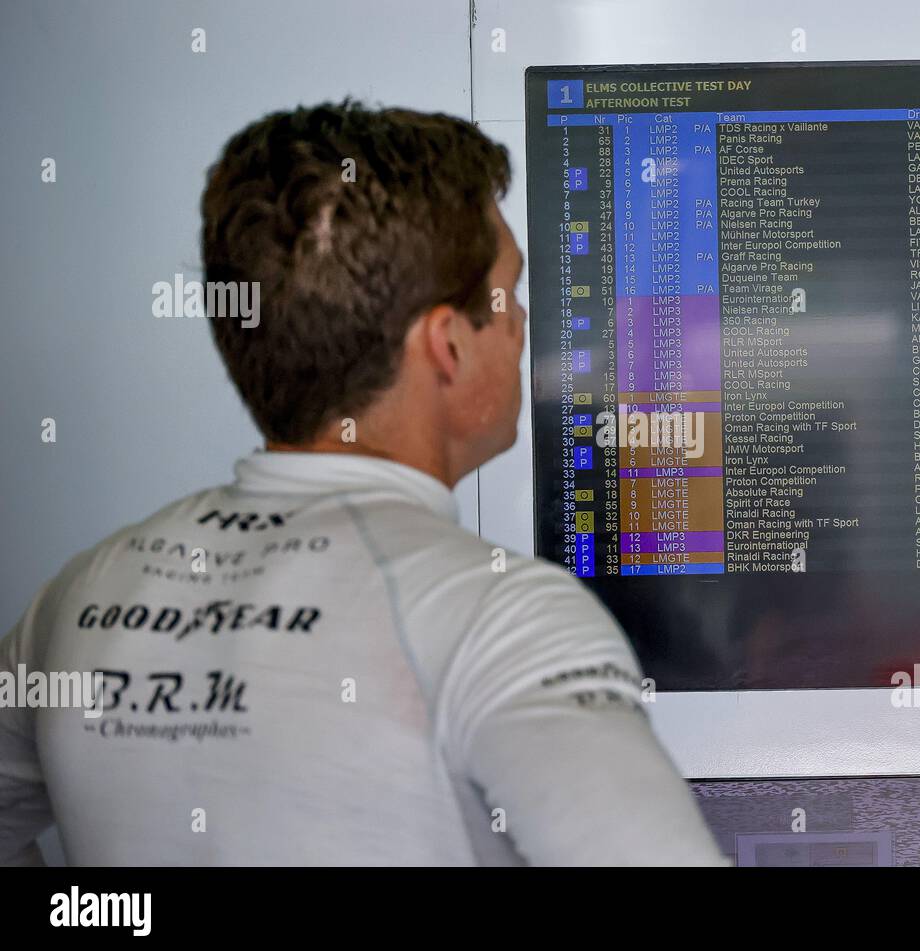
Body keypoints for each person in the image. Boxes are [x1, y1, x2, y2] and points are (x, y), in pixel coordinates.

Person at [0, 102, 728, 866]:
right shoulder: (504, 623)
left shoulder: (79, 599)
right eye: (510, 294)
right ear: (446, 343)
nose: (522, 327)